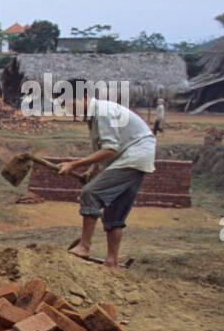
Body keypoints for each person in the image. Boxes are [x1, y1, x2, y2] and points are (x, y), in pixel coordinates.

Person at [58, 90, 155, 270]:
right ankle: (112, 262)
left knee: (90, 193)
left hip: (133, 156)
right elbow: (104, 147)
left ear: (84, 97)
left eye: (70, 104)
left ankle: (84, 246)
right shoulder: (96, 115)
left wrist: (75, 164)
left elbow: (110, 150)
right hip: (137, 158)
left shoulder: (103, 112)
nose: (70, 110)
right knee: (114, 212)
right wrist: (92, 169)